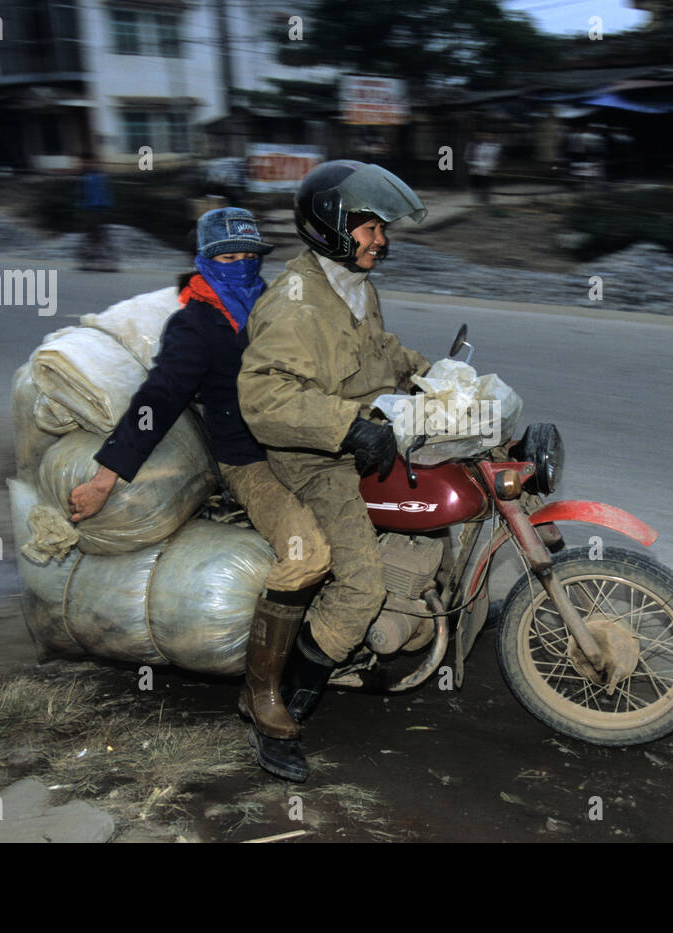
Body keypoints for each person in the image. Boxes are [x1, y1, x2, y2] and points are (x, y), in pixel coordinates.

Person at [67, 207, 332, 783]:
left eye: (248, 256)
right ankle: (261, 697)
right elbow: (158, 398)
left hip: (311, 446)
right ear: (204, 262)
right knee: (307, 555)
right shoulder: (197, 326)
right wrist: (104, 477)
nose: (240, 266)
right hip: (252, 462)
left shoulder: (277, 306)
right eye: (226, 257)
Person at [237, 161, 432, 778]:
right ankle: (274, 708)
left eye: (381, 228)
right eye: (370, 227)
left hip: (361, 437)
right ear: (332, 227)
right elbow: (266, 398)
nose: (381, 239)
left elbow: (382, 352)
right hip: (314, 461)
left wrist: (440, 378)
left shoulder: (354, 284)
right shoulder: (293, 305)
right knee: (359, 588)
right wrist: (348, 427)